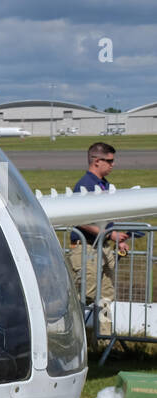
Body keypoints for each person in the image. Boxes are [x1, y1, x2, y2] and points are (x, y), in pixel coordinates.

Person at [65, 142, 128, 338]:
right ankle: (71, 336)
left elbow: (107, 218)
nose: (112, 165)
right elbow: (77, 218)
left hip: (103, 248)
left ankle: (103, 339)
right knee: (85, 294)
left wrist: (118, 238)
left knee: (105, 297)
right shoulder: (85, 185)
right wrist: (110, 234)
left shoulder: (105, 185)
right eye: (109, 161)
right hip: (87, 249)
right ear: (97, 161)